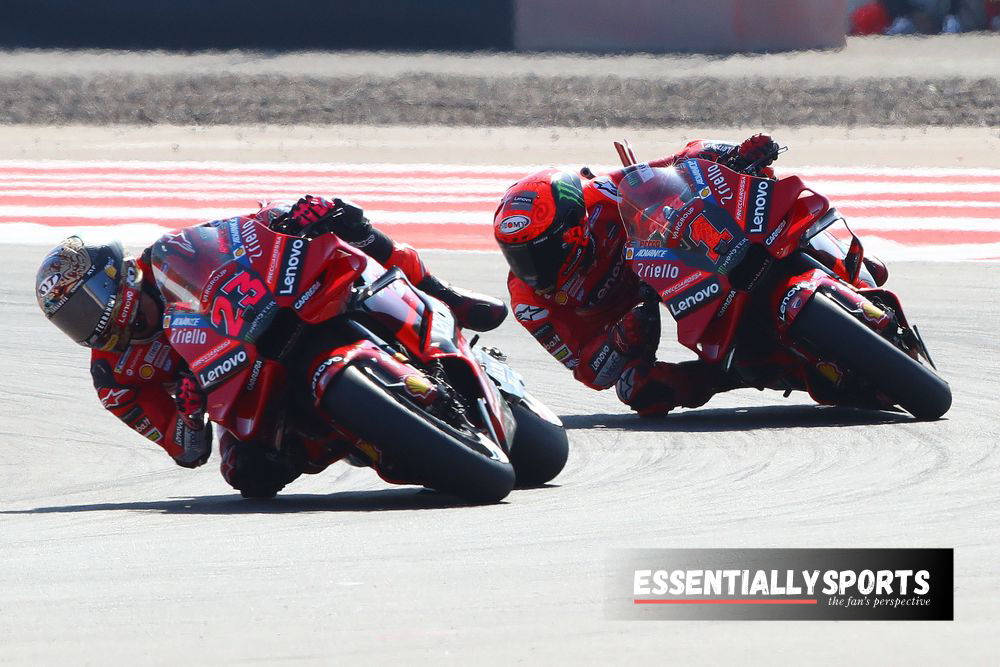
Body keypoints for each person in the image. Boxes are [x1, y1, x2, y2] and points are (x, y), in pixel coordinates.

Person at [35, 196, 507, 497]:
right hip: (243, 385)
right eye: (69, 321)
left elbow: (242, 231)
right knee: (247, 476)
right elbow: (186, 451)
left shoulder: (170, 254)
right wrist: (189, 413)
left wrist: (288, 216)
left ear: (115, 277)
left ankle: (446, 295)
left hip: (279, 310)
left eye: (85, 307)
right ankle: (362, 431)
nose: (85, 327)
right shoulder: (114, 379)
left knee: (344, 224)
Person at [493, 135, 888, 418]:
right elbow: (589, 372)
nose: (529, 267)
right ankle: (734, 373)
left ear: (573, 228)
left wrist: (732, 154)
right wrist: (619, 340)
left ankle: (838, 260)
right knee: (637, 389)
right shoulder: (529, 303)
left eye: (539, 251)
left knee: (759, 194)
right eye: (516, 255)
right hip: (639, 312)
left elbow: (678, 162)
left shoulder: (600, 196)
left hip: (674, 258)